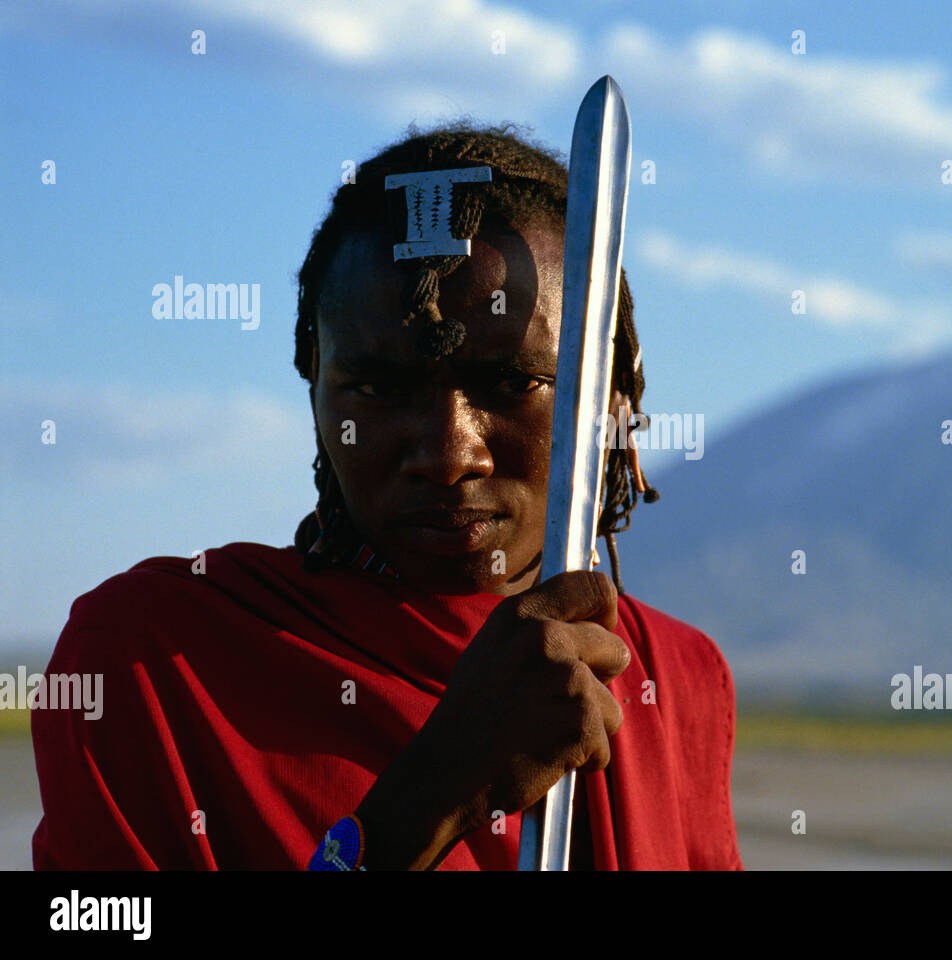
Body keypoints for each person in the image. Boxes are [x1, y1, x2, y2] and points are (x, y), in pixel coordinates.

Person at [31, 121, 743, 871]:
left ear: (612, 400)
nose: (448, 454)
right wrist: (430, 797)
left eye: (514, 384)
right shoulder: (152, 658)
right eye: (379, 387)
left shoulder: (677, 676)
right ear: (315, 389)